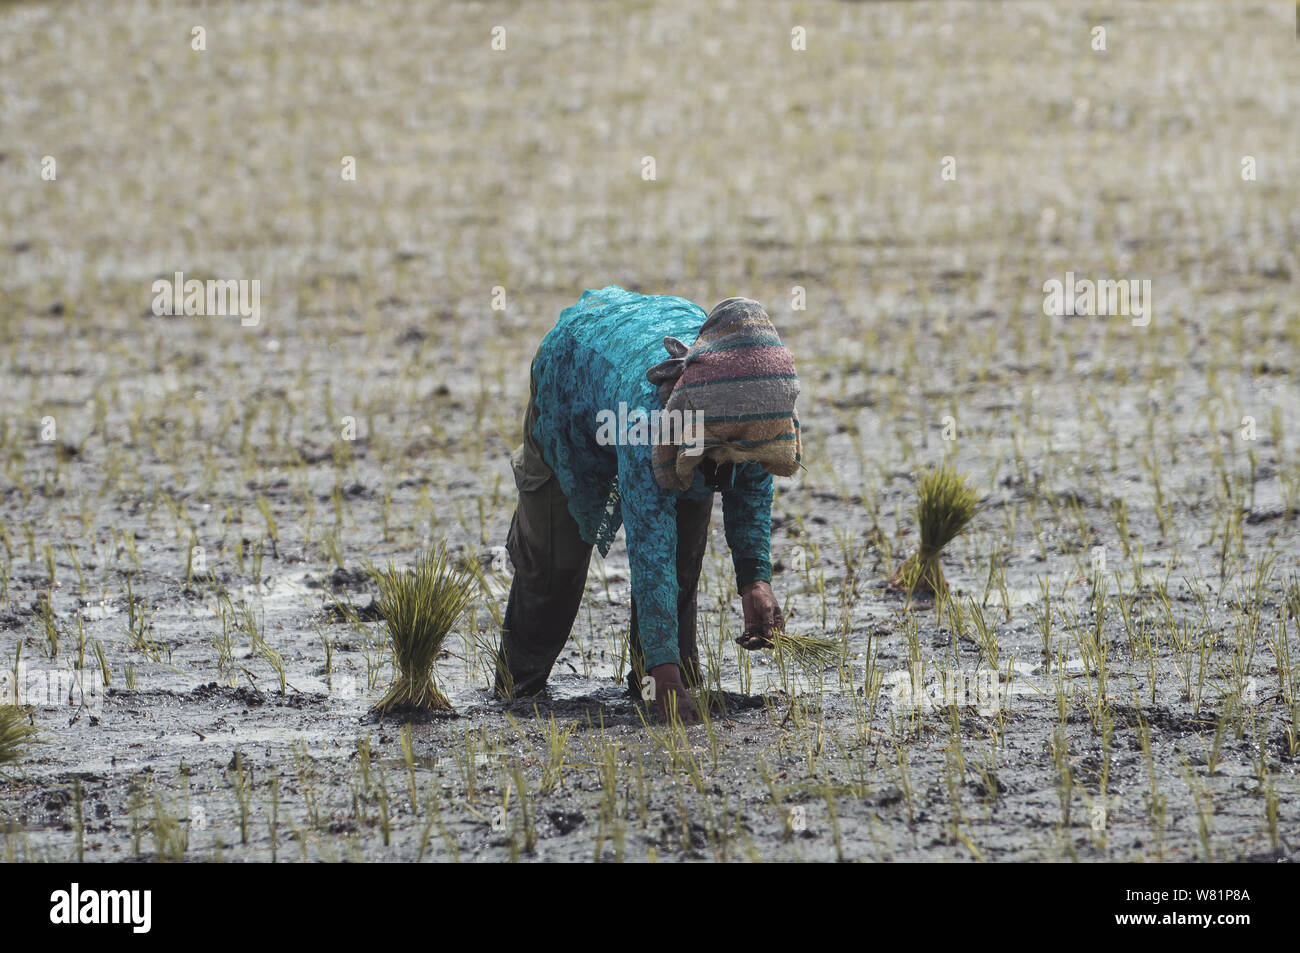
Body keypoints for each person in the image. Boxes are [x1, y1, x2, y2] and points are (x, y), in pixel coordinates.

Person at [493, 285, 802, 722]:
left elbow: (750, 484)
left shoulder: (758, 397)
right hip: (575, 378)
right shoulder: (651, 421)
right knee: (554, 562)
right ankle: (515, 690)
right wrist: (668, 685)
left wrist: (755, 580)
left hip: (678, 411)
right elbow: (649, 545)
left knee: (682, 563)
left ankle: (653, 677)